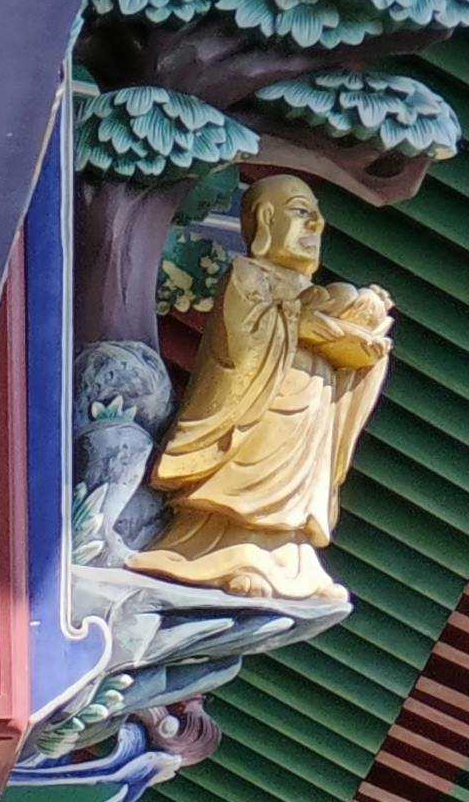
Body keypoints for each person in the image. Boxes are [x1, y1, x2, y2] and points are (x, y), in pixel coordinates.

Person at [128, 176, 393, 605]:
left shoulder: (315, 293)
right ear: (268, 219)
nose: (316, 228)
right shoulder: (249, 274)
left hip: (309, 414)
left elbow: (339, 341)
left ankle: (292, 562)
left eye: (318, 219)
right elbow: (245, 341)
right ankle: (222, 552)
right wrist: (313, 327)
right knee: (250, 476)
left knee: (300, 483)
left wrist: (365, 334)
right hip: (261, 411)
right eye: (302, 214)